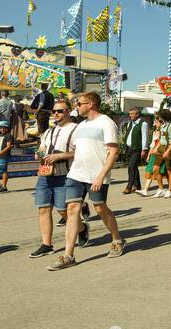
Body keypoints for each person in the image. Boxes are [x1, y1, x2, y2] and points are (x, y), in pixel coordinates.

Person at [48, 92, 125, 269]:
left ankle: (117, 239)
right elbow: (78, 150)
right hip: (76, 174)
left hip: (96, 175)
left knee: (100, 208)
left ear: (90, 104)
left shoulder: (106, 123)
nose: (77, 107)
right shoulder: (80, 125)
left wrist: (101, 175)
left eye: (80, 103)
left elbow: (113, 152)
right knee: (72, 209)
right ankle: (68, 255)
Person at [29, 99, 77, 259]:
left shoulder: (76, 129)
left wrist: (61, 155)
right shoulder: (49, 131)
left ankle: (82, 228)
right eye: (54, 111)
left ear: (68, 111)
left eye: (60, 111)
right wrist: (39, 154)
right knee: (43, 208)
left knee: (63, 211)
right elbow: (42, 148)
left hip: (65, 174)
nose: (56, 114)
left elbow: (83, 152)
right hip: (45, 174)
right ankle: (46, 244)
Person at [122, 107, 150, 194]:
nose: (130, 116)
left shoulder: (143, 124)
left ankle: (129, 186)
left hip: (137, 149)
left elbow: (145, 137)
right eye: (130, 114)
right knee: (133, 167)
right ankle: (137, 185)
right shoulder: (130, 123)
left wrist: (144, 149)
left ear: (137, 114)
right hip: (129, 148)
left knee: (131, 167)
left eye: (132, 114)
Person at [153, 107, 171, 198]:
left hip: (169, 148)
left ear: (163, 116)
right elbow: (161, 139)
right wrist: (156, 148)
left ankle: (170, 190)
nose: (158, 118)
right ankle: (161, 188)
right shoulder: (163, 125)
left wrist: (168, 151)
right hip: (161, 148)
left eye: (159, 116)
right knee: (155, 169)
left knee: (169, 169)